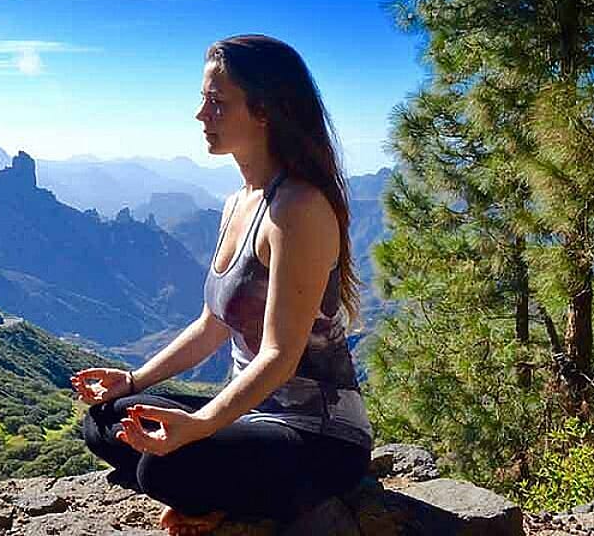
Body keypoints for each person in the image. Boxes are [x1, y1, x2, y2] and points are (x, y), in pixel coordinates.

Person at [71, 34, 373, 536]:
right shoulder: (239, 202)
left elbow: (279, 355)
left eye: (216, 102)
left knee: (163, 466)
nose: (199, 114)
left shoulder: (297, 209)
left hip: (316, 435)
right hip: (251, 415)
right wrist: (132, 381)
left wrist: (201, 426)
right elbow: (213, 324)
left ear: (264, 112)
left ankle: (213, 492)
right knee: (106, 419)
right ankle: (215, 488)